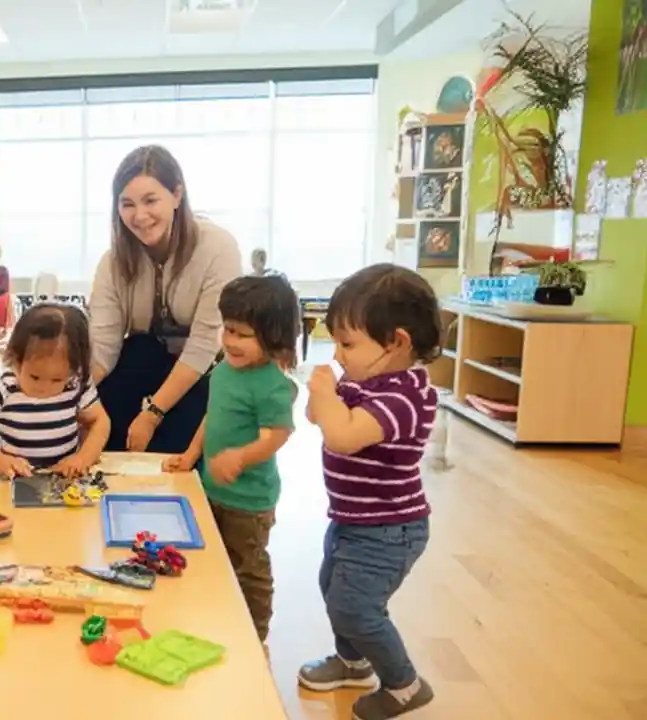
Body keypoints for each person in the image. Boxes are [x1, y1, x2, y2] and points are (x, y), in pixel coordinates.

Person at [298, 264, 441, 720]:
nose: (338, 355)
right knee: (333, 590)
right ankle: (352, 663)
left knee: (356, 607)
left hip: (389, 530)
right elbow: (319, 419)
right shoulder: (368, 383)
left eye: (347, 343)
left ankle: (404, 685)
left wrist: (325, 394)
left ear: (397, 342)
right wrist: (325, 398)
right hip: (353, 519)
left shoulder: (403, 397)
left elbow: (341, 435)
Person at [162, 275, 299, 644]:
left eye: (242, 334)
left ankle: (254, 639)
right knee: (213, 560)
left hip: (249, 503)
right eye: (228, 330)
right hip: (212, 488)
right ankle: (217, 620)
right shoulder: (224, 370)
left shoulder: (272, 384)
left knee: (249, 570)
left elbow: (278, 434)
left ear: (273, 337)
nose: (230, 341)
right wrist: (192, 454)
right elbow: (213, 415)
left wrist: (241, 456)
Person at [90, 145, 243, 454]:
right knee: (103, 425)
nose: (140, 216)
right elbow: (103, 347)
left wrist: (153, 413)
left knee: (173, 446)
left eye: (150, 201)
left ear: (177, 195)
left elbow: (204, 345)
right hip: (142, 363)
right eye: (127, 204)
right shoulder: (112, 261)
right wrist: (65, 397)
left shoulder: (217, 247)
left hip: (201, 373)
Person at [0, 303, 111, 479]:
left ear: (74, 370)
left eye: (57, 380)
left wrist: (83, 458)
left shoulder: (75, 386)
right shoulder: (5, 389)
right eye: (34, 377)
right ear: (16, 360)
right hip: (16, 480)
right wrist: (0, 460)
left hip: (65, 480)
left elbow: (100, 421)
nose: (44, 388)